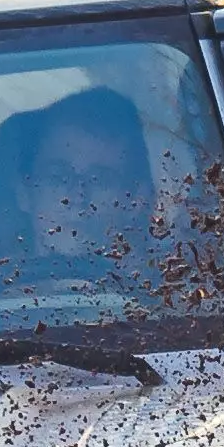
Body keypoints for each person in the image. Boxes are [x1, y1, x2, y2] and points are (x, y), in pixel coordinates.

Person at [16, 88, 161, 296]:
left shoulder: (180, 303)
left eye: (100, 179)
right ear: (25, 192)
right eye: (58, 176)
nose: (76, 195)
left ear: (136, 199)